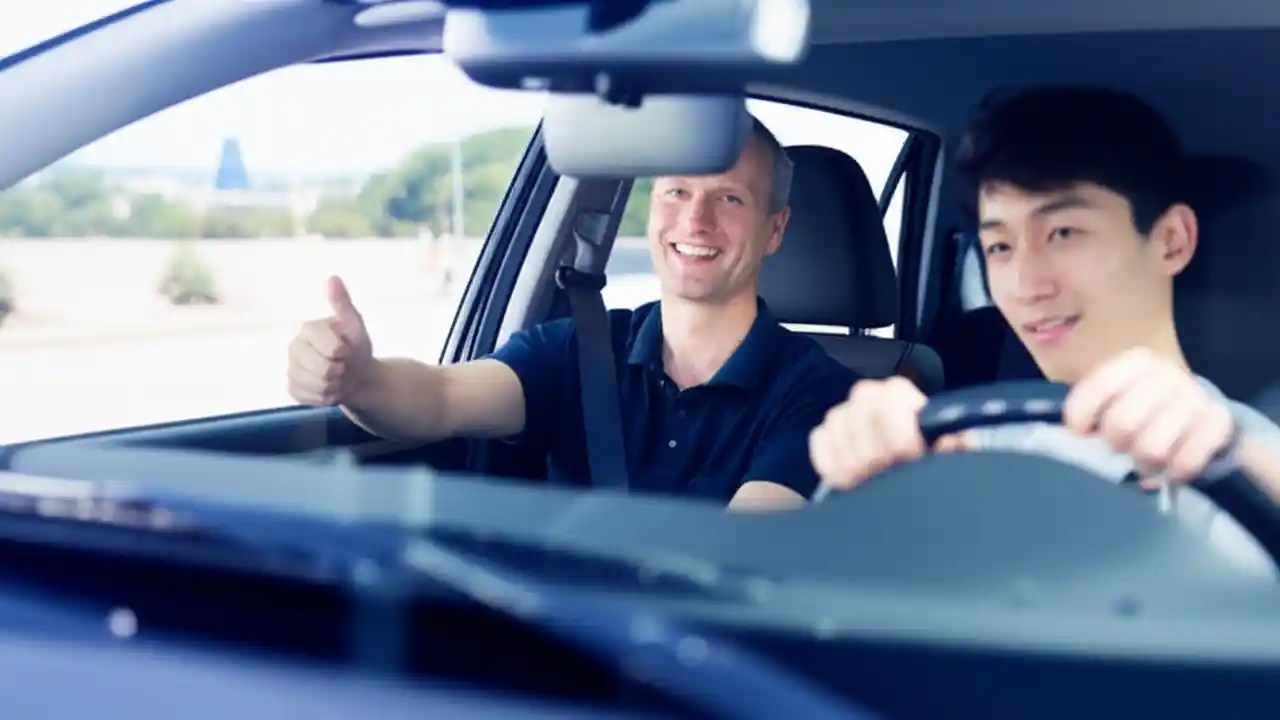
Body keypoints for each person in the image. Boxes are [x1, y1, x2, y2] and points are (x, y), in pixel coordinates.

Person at [808, 86, 1280, 572]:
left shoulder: (1247, 454)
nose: (1024, 286)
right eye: (1000, 247)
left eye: (1064, 233)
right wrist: (872, 491)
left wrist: (1239, 460)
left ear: (1171, 241)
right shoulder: (973, 449)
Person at [287, 116, 859, 511]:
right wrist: (360, 381)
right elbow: (439, 396)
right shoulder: (579, 349)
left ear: (775, 230)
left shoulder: (822, 396)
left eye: (729, 198)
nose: (696, 221)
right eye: (677, 192)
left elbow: (743, 553)